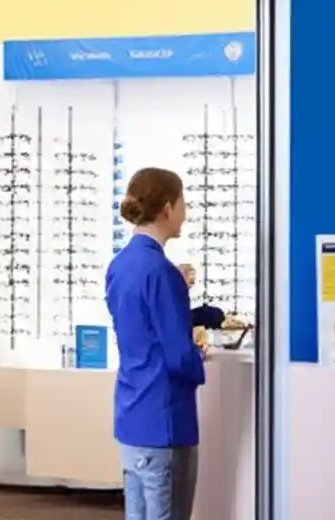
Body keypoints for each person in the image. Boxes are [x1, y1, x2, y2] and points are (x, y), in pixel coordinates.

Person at [106, 168, 206, 520]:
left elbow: (140, 330)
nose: (185, 211)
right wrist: (200, 358)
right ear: (167, 208)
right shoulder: (163, 273)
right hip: (166, 421)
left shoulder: (119, 266)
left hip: (132, 415)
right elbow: (179, 357)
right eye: (183, 203)